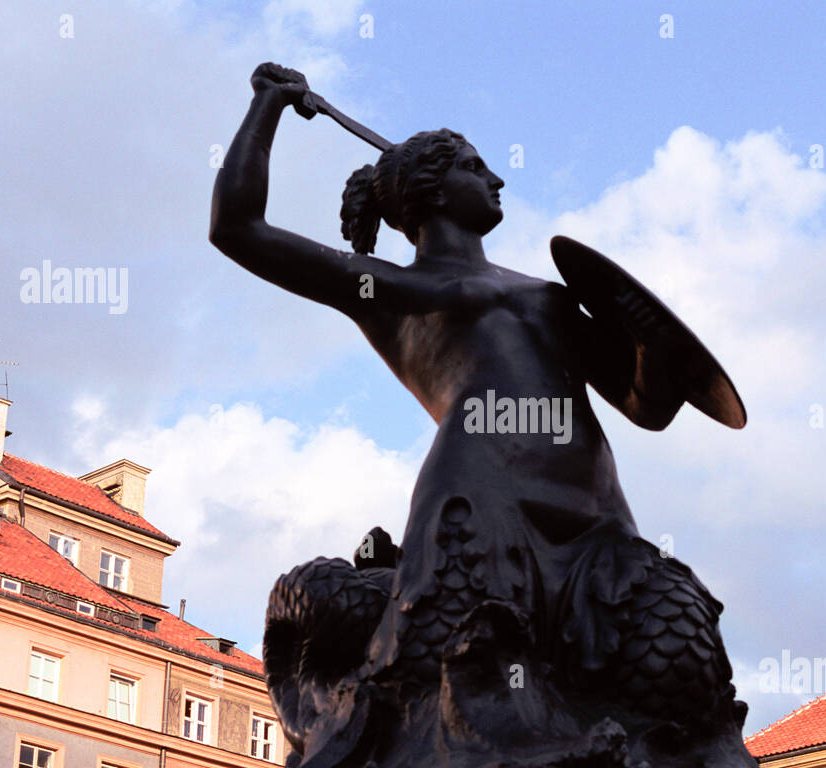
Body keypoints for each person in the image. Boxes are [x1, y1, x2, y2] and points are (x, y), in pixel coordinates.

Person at [211, 63, 730, 724]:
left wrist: (655, 348)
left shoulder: (548, 295)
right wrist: (268, 109)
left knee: (676, 665)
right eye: (476, 167)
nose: (497, 178)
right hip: (482, 510)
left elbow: (645, 407)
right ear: (432, 188)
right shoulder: (391, 293)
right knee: (466, 691)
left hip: (597, 516)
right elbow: (238, 229)